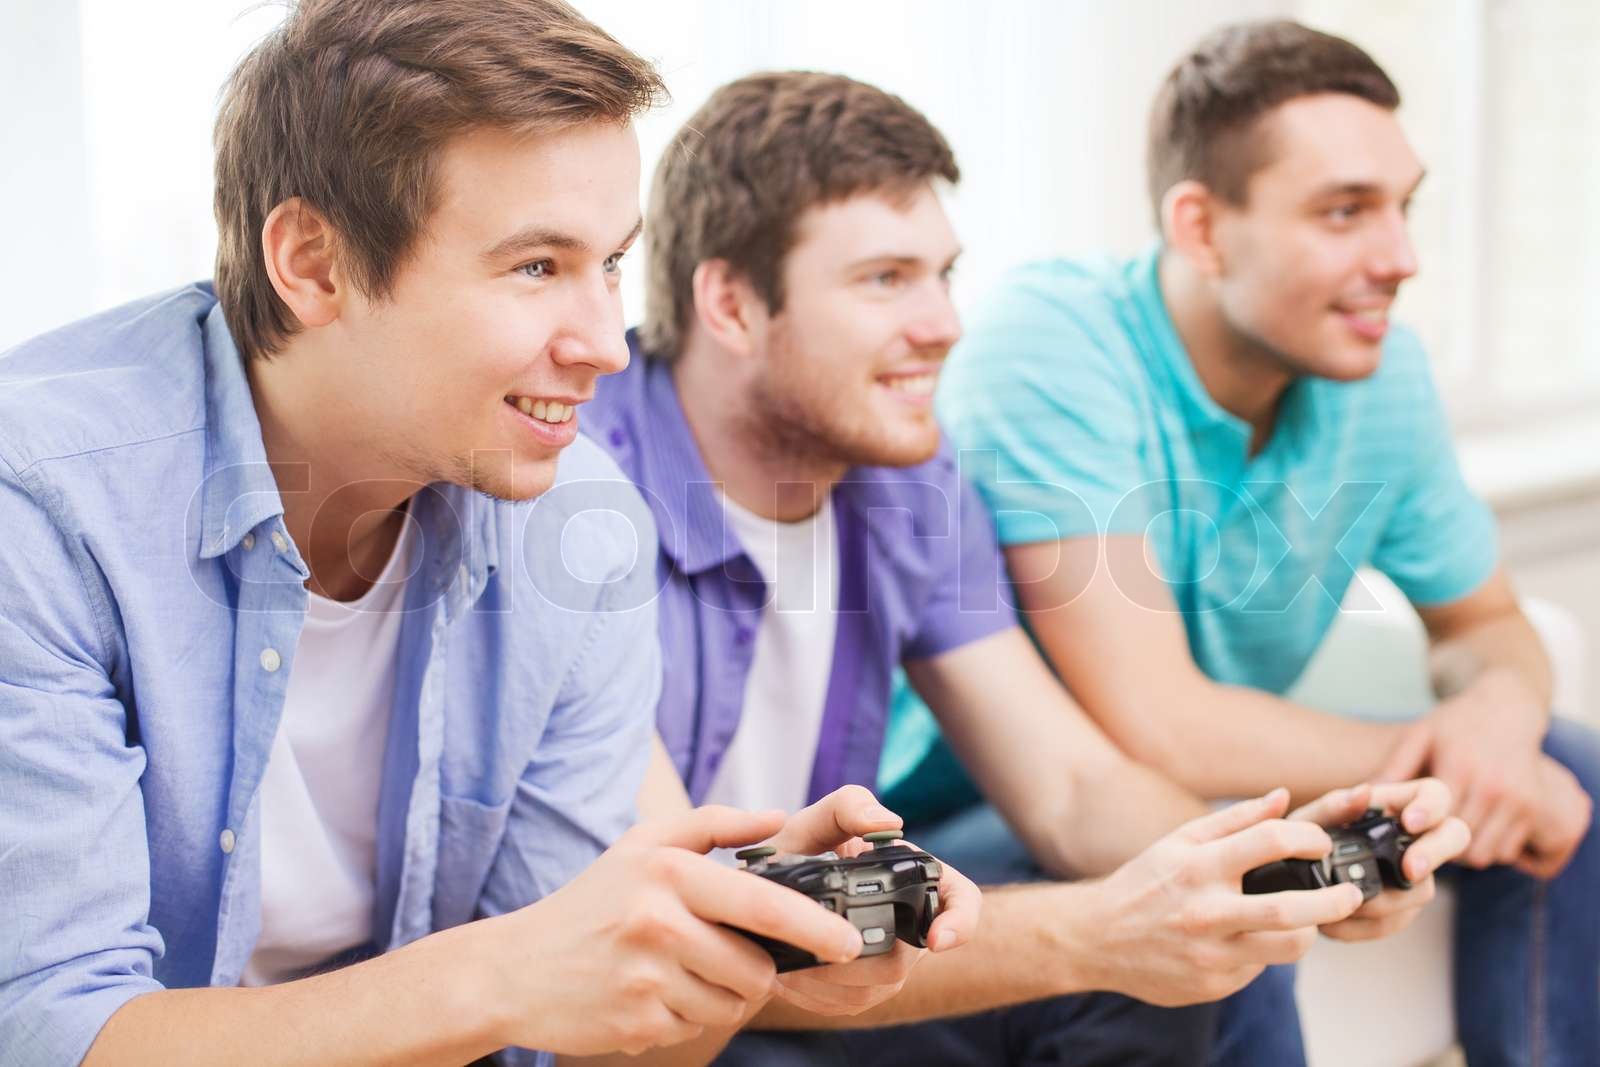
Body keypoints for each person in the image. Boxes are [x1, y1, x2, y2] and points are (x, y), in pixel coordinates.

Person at [0, 4, 953, 1065]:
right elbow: (48, 1029)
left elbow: (565, 1045)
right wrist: (505, 973)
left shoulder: (583, 525)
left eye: (611, 266)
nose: (602, 342)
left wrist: (721, 953)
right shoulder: (39, 499)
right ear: (313, 263)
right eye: (536, 266)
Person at [583, 69, 1469, 1067]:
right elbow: (682, 937)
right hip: (652, 1011)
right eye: (885, 279)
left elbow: (1068, 784)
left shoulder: (902, 474)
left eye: (943, 274)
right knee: (1105, 948)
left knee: (1187, 959)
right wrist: (1094, 927)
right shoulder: (579, 495)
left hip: (811, 942)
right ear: (732, 304)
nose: (944, 324)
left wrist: (1262, 866)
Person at [884, 19, 1600, 1064]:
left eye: (1402, 207)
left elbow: (1484, 621)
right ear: (1201, 226)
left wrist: (1494, 717)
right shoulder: (1054, 344)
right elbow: (1155, 722)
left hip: (1199, 779)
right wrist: (1459, 768)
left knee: (1563, 762)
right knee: (1222, 927)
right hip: (980, 812)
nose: (1397, 258)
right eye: (1343, 212)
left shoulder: (1378, 371)